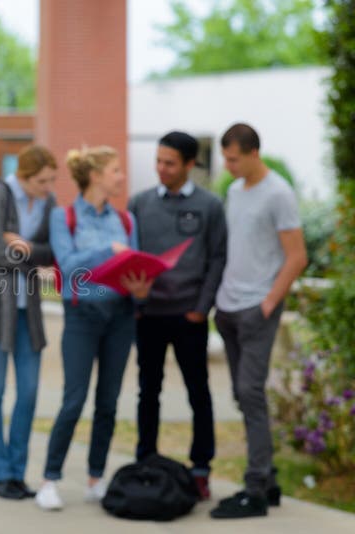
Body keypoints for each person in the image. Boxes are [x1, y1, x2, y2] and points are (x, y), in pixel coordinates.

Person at [36, 146, 152, 511]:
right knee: (74, 400)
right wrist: (108, 250)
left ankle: (96, 478)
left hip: (120, 315)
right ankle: (49, 481)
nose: (121, 177)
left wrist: (141, 286)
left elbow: (132, 264)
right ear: (97, 175)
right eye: (116, 170)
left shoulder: (127, 220)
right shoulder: (63, 217)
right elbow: (68, 265)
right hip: (81, 316)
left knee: (108, 401)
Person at [210, 123, 307, 519]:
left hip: (257, 309)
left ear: (253, 153)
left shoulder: (279, 193)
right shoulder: (234, 191)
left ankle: (255, 490)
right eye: (225, 158)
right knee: (242, 393)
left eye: (233, 158)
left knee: (249, 392)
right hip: (229, 307)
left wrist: (269, 302)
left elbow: (297, 256)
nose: (227, 165)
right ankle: (267, 480)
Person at [128, 131, 227, 500]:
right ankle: (146, 460)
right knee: (147, 393)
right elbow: (129, 256)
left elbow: (218, 258)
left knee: (198, 393)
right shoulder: (139, 204)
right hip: (149, 316)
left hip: (190, 318)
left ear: (189, 164)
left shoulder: (210, 206)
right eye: (158, 161)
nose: (161, 169)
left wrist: (201, 310)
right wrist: (137, 305)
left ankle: (201, 469)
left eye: (169, 163)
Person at [0, 145, 57, 500]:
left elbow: (50, 252)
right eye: (43, 180)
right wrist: (28, 252)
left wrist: (21, 246)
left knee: (28, 393)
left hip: (31, 313)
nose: (48, 186)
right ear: (25, 176)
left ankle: (17, 473)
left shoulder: (48, 203)